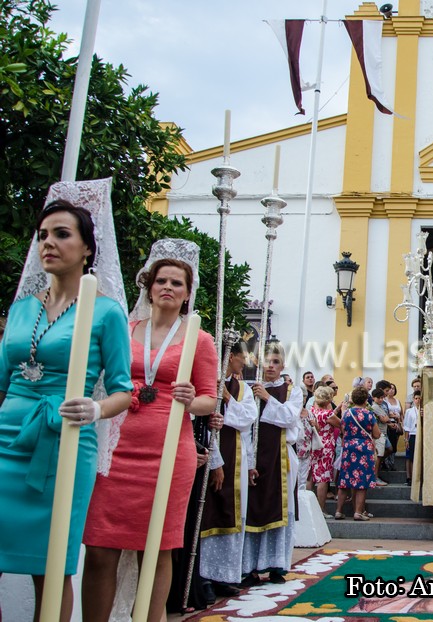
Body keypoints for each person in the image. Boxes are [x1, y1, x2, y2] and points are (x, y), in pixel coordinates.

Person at [0, 181, 133, 622]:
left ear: (87, 249)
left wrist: (96, 409)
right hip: (6, 441)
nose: (48, 243)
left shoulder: (106, 311)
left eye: (61, 234)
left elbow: (122, 391)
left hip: (66, 444)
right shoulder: (21, 308)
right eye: (42, 235)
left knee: (51, 564)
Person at [83, 239, 219, 622]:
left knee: (157, 548)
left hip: (169, 449)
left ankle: (150, 617)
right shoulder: (123, 328)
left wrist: (191, 399)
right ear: (149, 285)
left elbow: (210, 401)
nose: (168, 288)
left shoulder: (200, 339)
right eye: (162, 280)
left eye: (177, 283)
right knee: (98, 547)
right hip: (117, 445)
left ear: (188, 293)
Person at [241, 342, 304, 587]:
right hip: (255, 456)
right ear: (258, 362)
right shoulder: (249, 390)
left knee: (279, 507)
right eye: (267, 361)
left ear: (283, 365)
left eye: (276, 362)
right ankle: (250, 567)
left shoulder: (292, 391)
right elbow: (246, 426)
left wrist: (267, 398)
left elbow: (289, 418)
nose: (270, 366)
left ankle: (277, 565)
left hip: (280, 457)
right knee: (253, 507)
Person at [199, 341, 258, 597]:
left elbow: (247, 419)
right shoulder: (206, 383)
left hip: (236, 455)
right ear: (230, 356)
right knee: (209, 512)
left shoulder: (241, 388)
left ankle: (225, 574)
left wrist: (226, 397)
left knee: (235, 514)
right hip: (211, 454)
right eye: (241, 357)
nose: (243, 363)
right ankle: (204, 577)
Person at [336, 387, 379, 520]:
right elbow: (377, 434)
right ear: (366, 400)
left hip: (349, 448)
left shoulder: (347, 414)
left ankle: (338, 511)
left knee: (345, 480)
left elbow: (343, 429)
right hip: (364, 449)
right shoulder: (369, 414)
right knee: (362, 481)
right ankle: (358, 512)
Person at [311, 386, 341, 515]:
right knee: (323, 478)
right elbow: (341, 424)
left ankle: (310, 509)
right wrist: (342, 411)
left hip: (313, 445)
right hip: (326, 447)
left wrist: (337, 409)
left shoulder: (312, 411)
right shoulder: (328, 414)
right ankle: (321, 510)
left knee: (311, 477)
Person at [369, 387, 390, 486]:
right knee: (378, 456)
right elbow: (384, 419)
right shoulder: (375, 407)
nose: (381, 400)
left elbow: (386, 418)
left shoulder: (380, 406)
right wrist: (387, 418)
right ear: (373, 398)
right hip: (379, 434)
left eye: (382, 397)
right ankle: (375, 477)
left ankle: (375, 473)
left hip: (383, 434)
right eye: (379, 398)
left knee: (389, 449)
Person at [403, 390, 420, 486]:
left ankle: (418, 477)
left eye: (419, 398)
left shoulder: (424, 410)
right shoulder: (409, 411)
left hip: (420, 435)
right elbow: (407, 426)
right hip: (412, 435)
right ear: (413, 399)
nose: (418, 400)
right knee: (412, 457)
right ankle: (412, 478)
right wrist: (406, 439)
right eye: (416, 398)